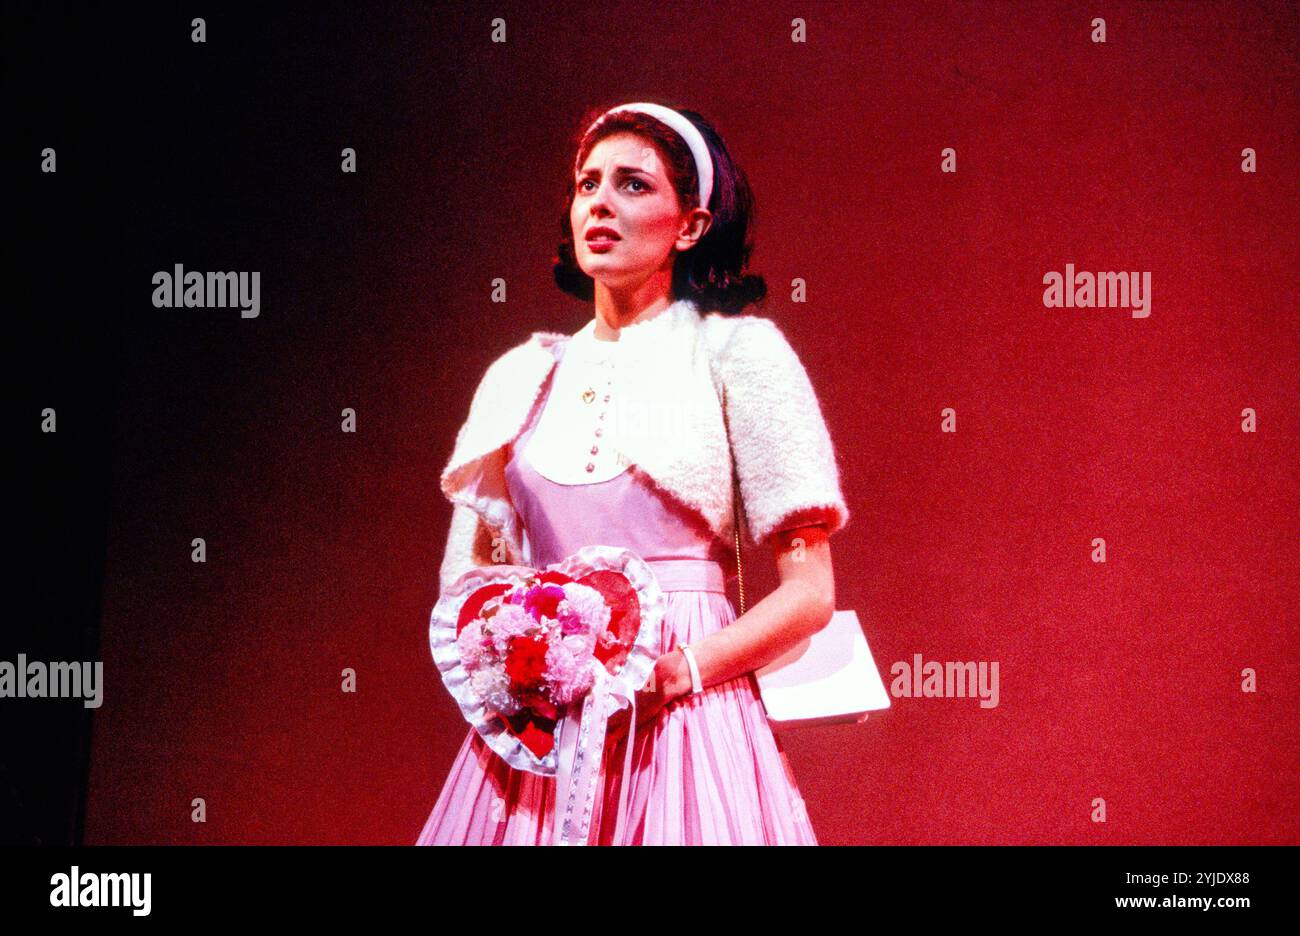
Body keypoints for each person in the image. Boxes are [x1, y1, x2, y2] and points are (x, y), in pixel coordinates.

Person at [418, 102, 850, 845]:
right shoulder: (518, 376)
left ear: (690, 225)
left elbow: (810, 592)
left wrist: (677, 671)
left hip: (686, 715)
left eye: (633, 185)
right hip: (542, 745)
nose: (601, 203)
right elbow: (469, 588)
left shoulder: (737, 354)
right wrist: (524, 664)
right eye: (588, 184)